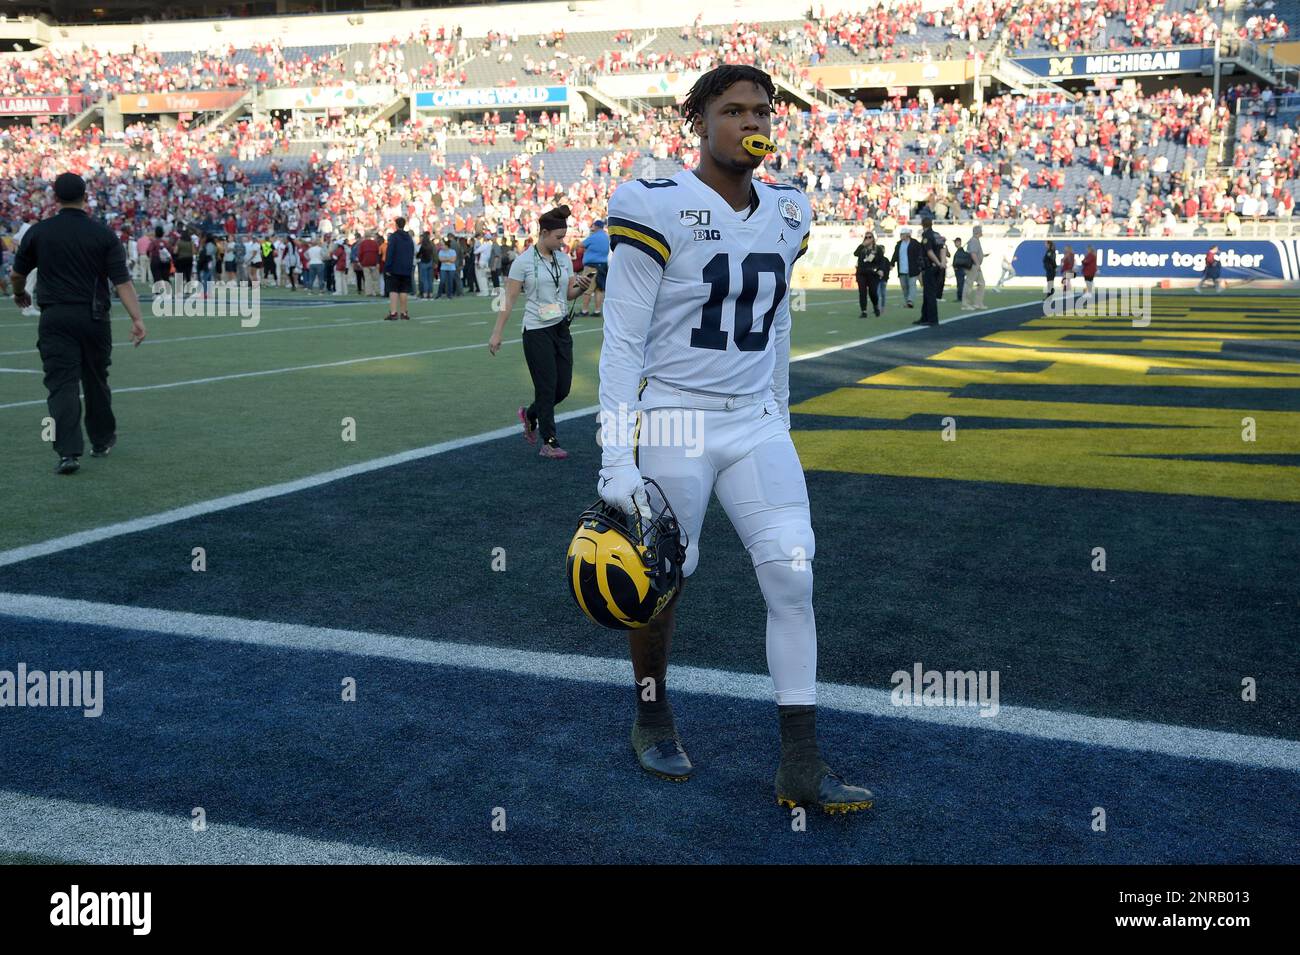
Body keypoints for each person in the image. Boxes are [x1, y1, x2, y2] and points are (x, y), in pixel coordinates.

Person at [594, 65, 873, 812]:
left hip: (752, 418)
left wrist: (779, 410)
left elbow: (778, 323)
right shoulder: (655, 202)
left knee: (793, 573)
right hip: (677, 414)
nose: (748, 120)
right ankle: (651, 713)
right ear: (701, 121)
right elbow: (621, 342)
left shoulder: (787, 210)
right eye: (731, 109)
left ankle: (801, 761)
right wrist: (615, 455)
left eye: (760, 109)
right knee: (660, 580)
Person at [11, 173, 147, 475]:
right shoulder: (102, 234)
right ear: (85, 196)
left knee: (62, 384)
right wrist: (137, 318)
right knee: (96, 379)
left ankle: (68, 453)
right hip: (94, 316)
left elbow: (18, 273)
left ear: (55, 197)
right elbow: (121, 281)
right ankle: (101, 440)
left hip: (55, 316)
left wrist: (19, 294)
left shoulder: (39, 232)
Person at [487, 204, 592, 459]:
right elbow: (508, 299)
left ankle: (530, 414)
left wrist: (582, 287)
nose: (562, 242)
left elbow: (568, 293)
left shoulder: (563, 259)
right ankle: (550, 442)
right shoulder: (523, 262)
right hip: (536, 331)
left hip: (560, 328)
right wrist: (497, 332)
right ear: (543, 233)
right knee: (546, 388)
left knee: (562, 388)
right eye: (558, 237)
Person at [915, 216, 945, 326]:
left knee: (930, 294)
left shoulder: (926, 236)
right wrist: (942, 263)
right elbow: (942, 248)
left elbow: (929, 251)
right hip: (937, 267)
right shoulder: (937, 235)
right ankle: (925, 317)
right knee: (928, 293)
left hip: (929, 267)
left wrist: (937, 262)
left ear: (923, 225)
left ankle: (932, 319)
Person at [384, 217, 415, 320]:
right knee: (404, 291)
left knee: (393, 290)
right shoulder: (409, 237)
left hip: (395, 267)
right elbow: (411, 253)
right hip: (406, 267)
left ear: (396, 225)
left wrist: (387, 267)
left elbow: (390, 252)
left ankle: (393, 313)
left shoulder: (394, 237)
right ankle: (404, 312)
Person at [852, 231, 889, 317]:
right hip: (862, 273)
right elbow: (855, 253)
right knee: (862, 292)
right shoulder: (862, 249)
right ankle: (864, 311)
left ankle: (875, 306)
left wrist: (881, 270)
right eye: (866, 237)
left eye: (870, 237)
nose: (868, 239)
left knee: (873, 292)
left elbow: (882, 261)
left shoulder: (878, 249)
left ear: (873, 239)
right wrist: (862, 245)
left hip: (873, 273)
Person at [578, 219, 610, 316]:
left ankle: (585, 310)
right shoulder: (606, 237)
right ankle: (597, 310)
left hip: (591, 266)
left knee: (587, 288)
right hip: (603, 265)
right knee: (599, 289)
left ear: (596, 226)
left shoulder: (594, 236)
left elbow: (581, 244)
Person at [890, 226, 922, 308]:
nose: (901, 236)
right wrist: (892, 264)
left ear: (907, 235)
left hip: (912, 269)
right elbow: (895, 255)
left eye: (902, 234)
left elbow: (920, 255)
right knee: (904, 287)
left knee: (912, 286)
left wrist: (920, 265)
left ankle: (910, 301)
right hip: (901, 269)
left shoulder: (915, 243)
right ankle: (907, 301)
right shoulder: (899, 244)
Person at [964, 224, 986, 309]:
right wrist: (977, 264)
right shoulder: (974, 240)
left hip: (975, 265)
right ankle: (965, 304)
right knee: (969, 284)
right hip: (973, 266)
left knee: (981, 284)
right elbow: (973, 253)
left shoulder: (975, 240)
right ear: (978, 232)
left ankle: (978, 303)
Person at [951, 237, 971, 304]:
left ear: (959, 242)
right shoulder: (960, 251)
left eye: (955, 242)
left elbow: (957, 262)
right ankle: (961, 297)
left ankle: (961, 297)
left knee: (960, 284)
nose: (955, 244)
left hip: (959, 270)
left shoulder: (960, 251)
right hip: (960, 270)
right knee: (961, 284)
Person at [417, 231, 435, 299]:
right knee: (430, 279)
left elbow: (419, 254)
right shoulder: (431, 245)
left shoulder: (423, 246)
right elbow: (434, 253)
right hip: (430, 261)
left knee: (424, 279)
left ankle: (425, 293)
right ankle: (430, 293)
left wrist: (418, 255)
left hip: (424, 262)